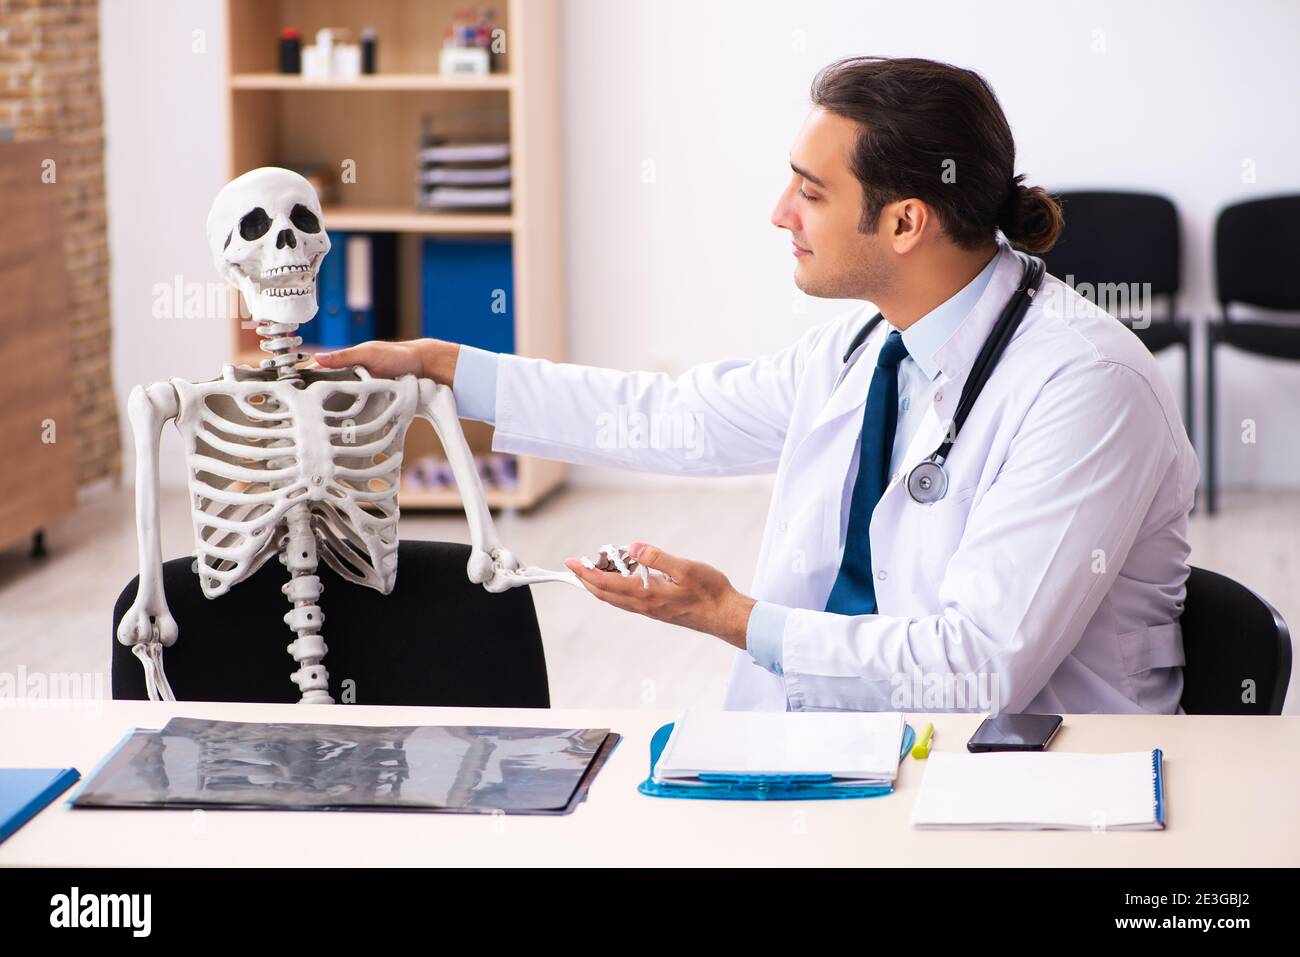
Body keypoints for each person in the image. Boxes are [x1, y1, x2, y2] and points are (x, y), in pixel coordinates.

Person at [317, 56, 1198, 714]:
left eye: (810, 192)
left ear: (904, 221)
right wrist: (446, 369)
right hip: (852, 745)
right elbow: (675, 415)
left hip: (1027, 777)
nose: (780, 212)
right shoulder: (866, 344)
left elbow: (982, 662)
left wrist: (727, 614)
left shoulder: (1086, 387)